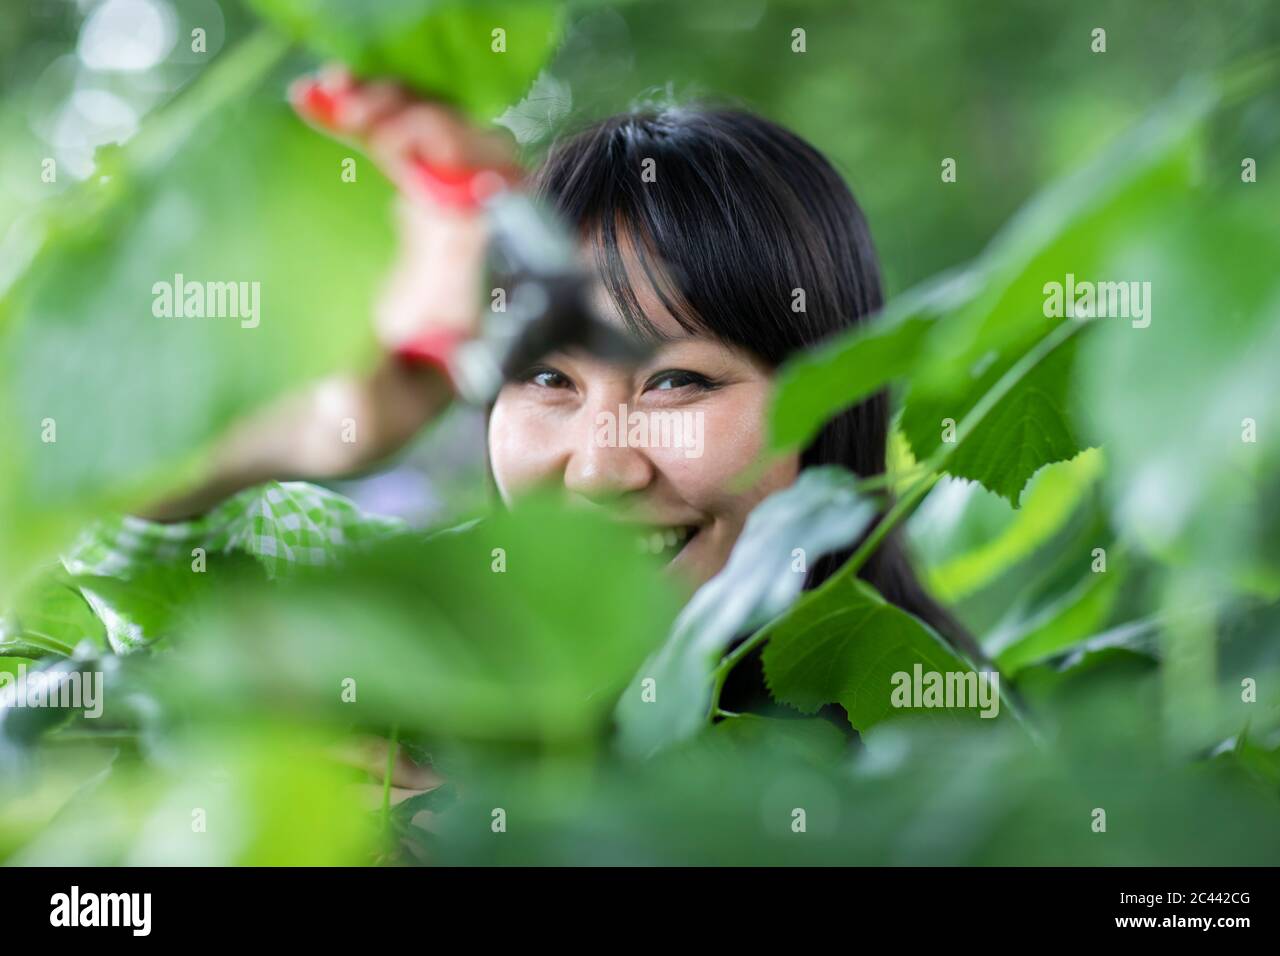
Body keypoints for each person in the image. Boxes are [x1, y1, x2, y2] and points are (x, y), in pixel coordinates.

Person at [64, 68, 979, 710]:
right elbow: (111, 523)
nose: (597, 470)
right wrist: (306, 432)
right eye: (546, 376)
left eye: (680, 382)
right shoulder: (406, 630)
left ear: (834, 395)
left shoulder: (938, 733)